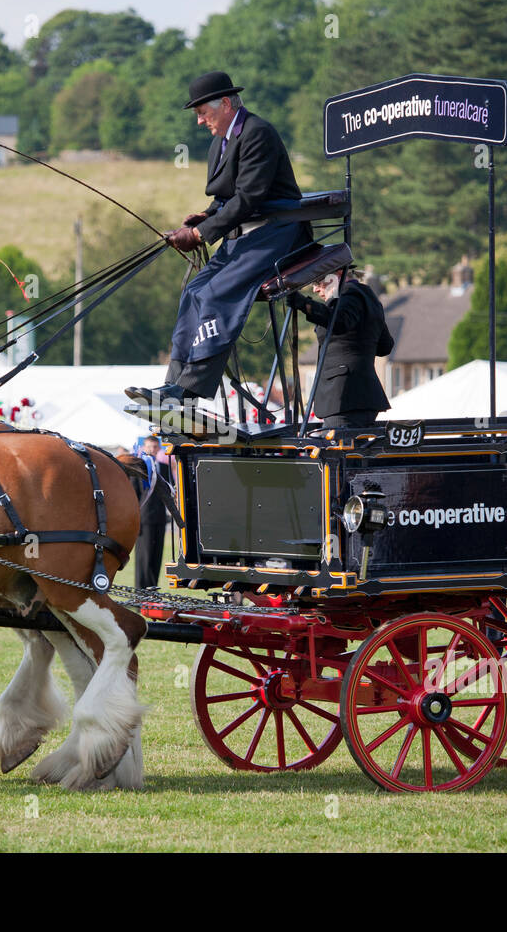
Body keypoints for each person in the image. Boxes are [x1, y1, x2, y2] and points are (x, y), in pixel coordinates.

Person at [127, 71, 309, 408]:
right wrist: (206, 216)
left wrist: (199, 234)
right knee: (194, 291)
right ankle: (173, 386)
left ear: (225, 104)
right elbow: (226, 199)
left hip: (278, 235)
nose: (199, 122)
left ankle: (192, 390)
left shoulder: (258, 133)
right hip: (245, 235)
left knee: (214, 293)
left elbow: (248, 198)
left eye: (202, 113)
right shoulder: (219, 143)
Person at [287, 270, 395, 429]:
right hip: (362, 395)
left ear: (336, 275)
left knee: (336, 450)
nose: (316, 290)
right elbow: (385, 345)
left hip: (344, 395)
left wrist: (306, 305)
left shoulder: (348, 294)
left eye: (318, 283)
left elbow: (339, 321)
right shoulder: (369, 299)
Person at [133, 436, 172, 590]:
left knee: (157, 557)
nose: (152, 450)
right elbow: (134, 494)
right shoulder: (138, 468)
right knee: (144, 558)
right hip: (144, 519)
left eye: (155, 447)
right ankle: (141, 593)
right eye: (149, 447)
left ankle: (153, 591)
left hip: (161, 519)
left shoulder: (164, 467)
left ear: (159, 449)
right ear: (144, 448)